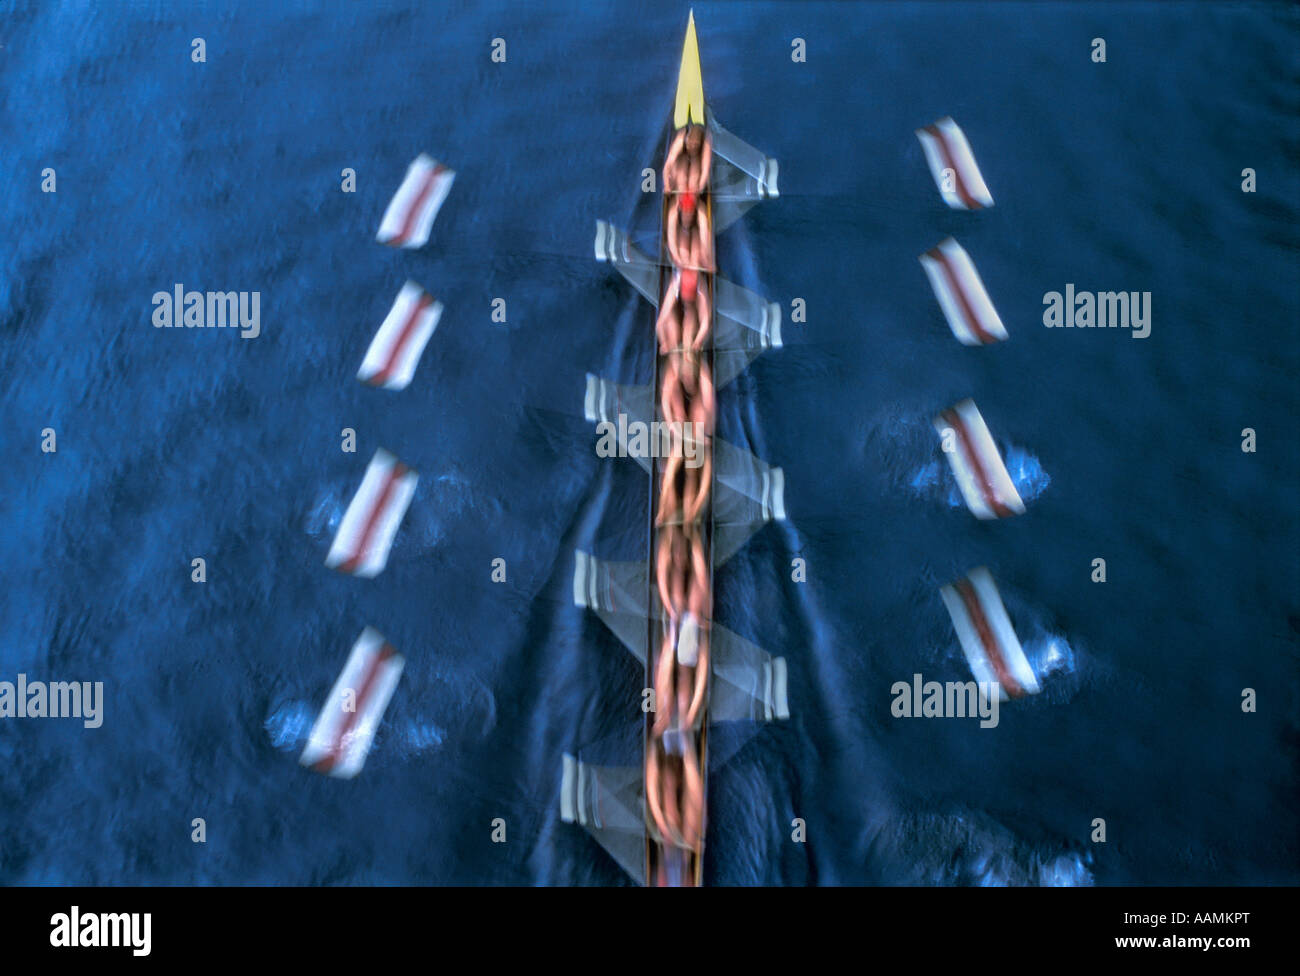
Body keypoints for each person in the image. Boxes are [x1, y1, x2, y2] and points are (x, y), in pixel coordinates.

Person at [666, 191, 714, 272]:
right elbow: (671, 237)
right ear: (680, 209)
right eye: (685, 215)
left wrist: (705, 252)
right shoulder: (673, 214)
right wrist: (676, 256)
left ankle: (695, 264)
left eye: (690, 215)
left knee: (696, 257)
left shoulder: (701, 210)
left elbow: (704, 230)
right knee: (683, 256)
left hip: (695, 229)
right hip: (680, 229)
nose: (688, 218)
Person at [663, 123, 712, 194]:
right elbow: (668, 165)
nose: (692, 147)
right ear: (687, 140)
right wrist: (666, 185)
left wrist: (700, 186)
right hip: (683, 154)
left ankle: (691, 192)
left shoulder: (706, 141)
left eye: (696, 145)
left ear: (700, 142)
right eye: (690, 144)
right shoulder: (680, 140)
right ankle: (678, 196)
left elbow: (705, 169)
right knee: (677, 177)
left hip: (697, 156)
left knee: (694, 181)